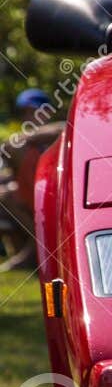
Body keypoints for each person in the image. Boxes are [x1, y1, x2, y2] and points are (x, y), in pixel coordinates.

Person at [0, 89, 66, 271]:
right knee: (5, 195)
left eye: (35, 111)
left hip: (54, 193)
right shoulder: (21, 141)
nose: (30, 116)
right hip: (29, 196)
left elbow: (63, 127)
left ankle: (38, 251)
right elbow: (9, 174)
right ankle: (36, 250)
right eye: (26, 112)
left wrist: (22, 139)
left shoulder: (59, 131)